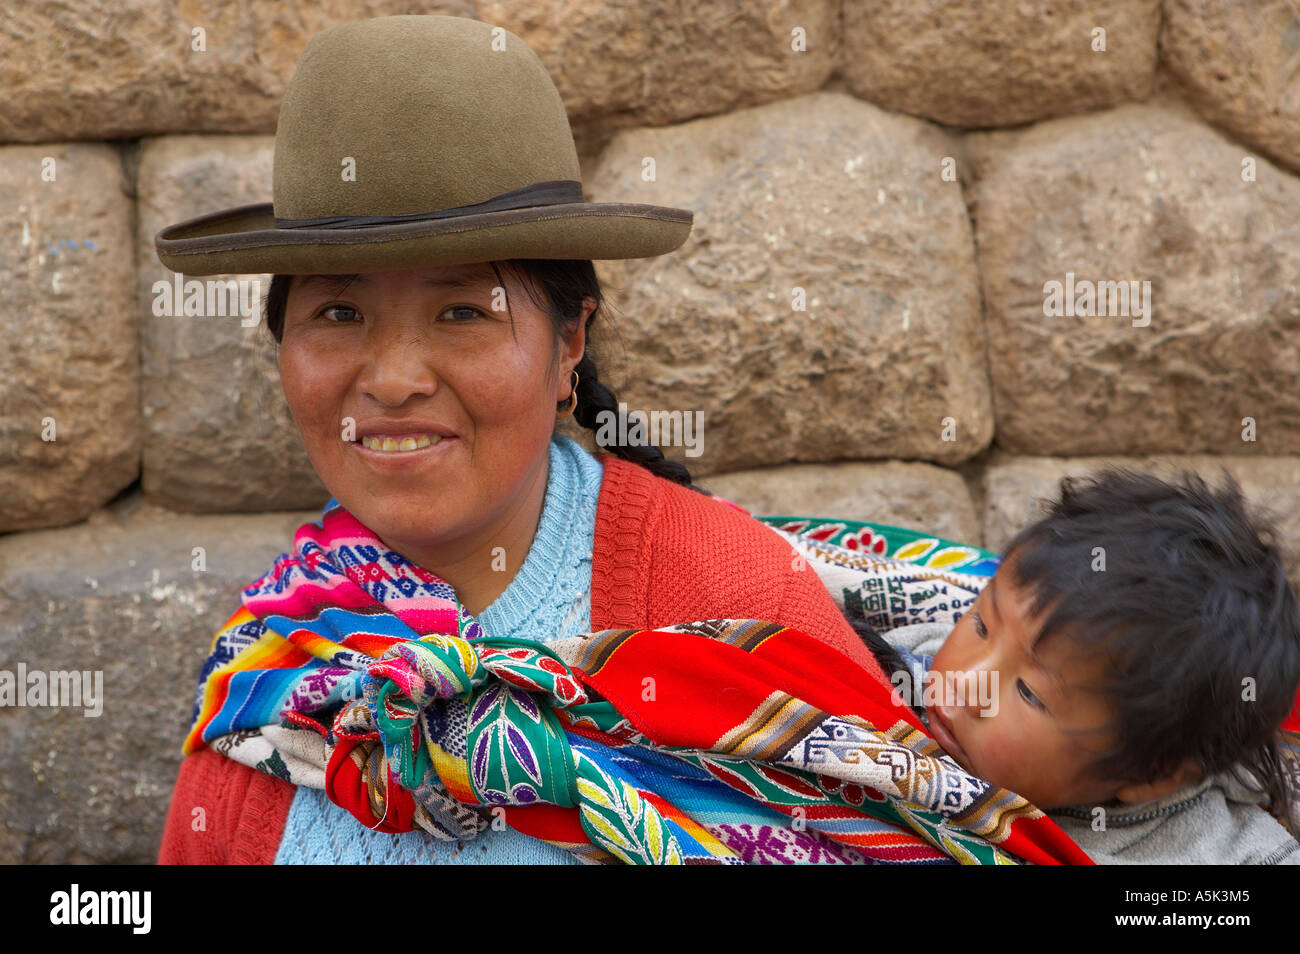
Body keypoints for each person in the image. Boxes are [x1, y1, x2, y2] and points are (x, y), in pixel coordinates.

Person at [153, 14, 885, 864]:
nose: (393, 379)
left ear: (570, 340)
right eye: (340, 313)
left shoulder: (737, 602)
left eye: (463, 312)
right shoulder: (272, 672)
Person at [855, 468, 1300, 864]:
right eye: (981, 625)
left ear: (1151, 774)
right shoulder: (893, 663)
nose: (964, 683)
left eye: (1030, 692)